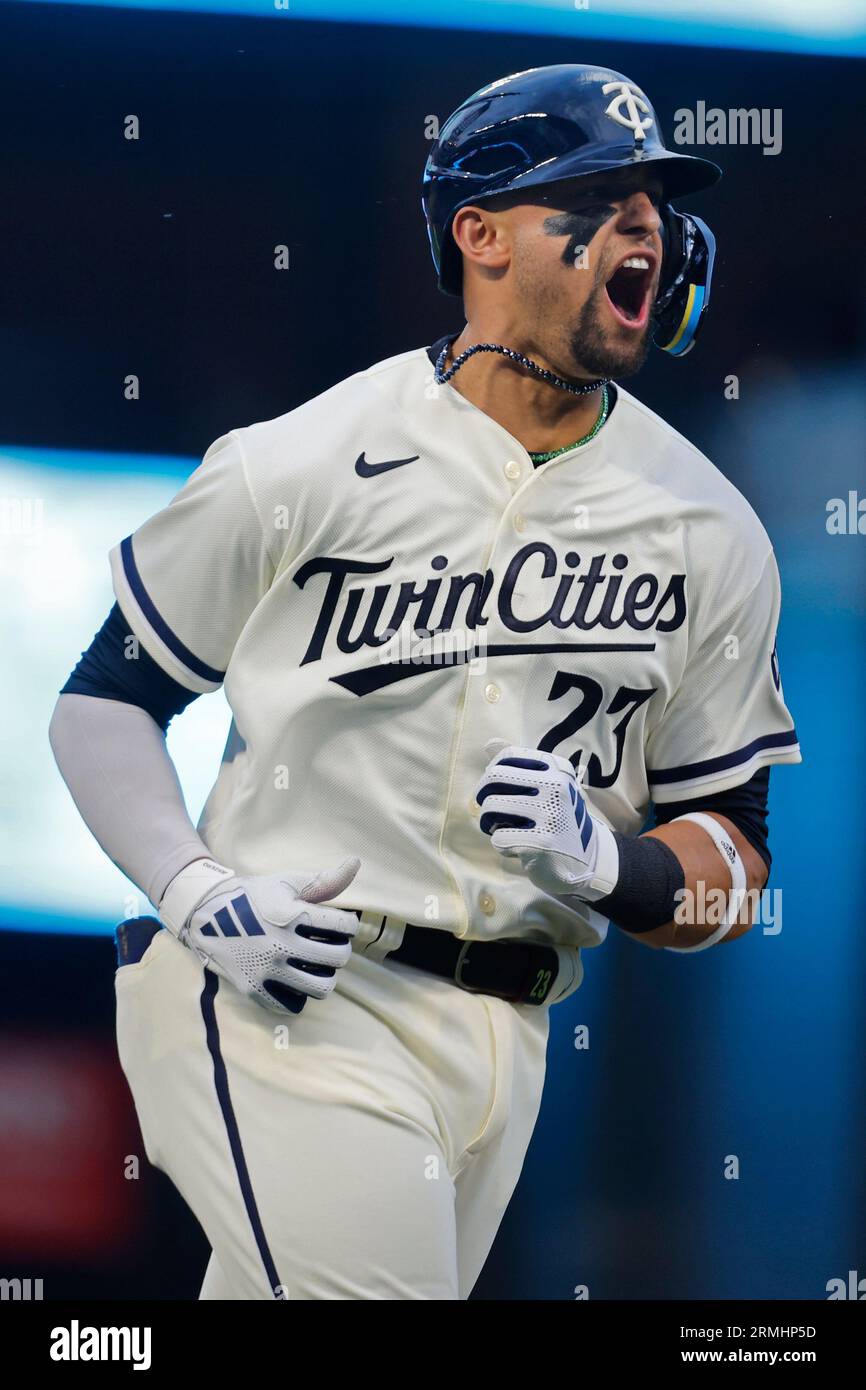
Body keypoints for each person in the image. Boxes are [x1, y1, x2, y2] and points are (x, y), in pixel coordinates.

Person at [49, 63, 800, 1300]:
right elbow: (104, 698)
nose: (648, 229)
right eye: (602, 196)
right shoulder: (301, 457)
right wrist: (192, 886)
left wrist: (622, 865)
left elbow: (738, 866)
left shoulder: (708, 528)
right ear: (480, 234)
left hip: (504, 1039)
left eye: (657, 203)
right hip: (291, 993)